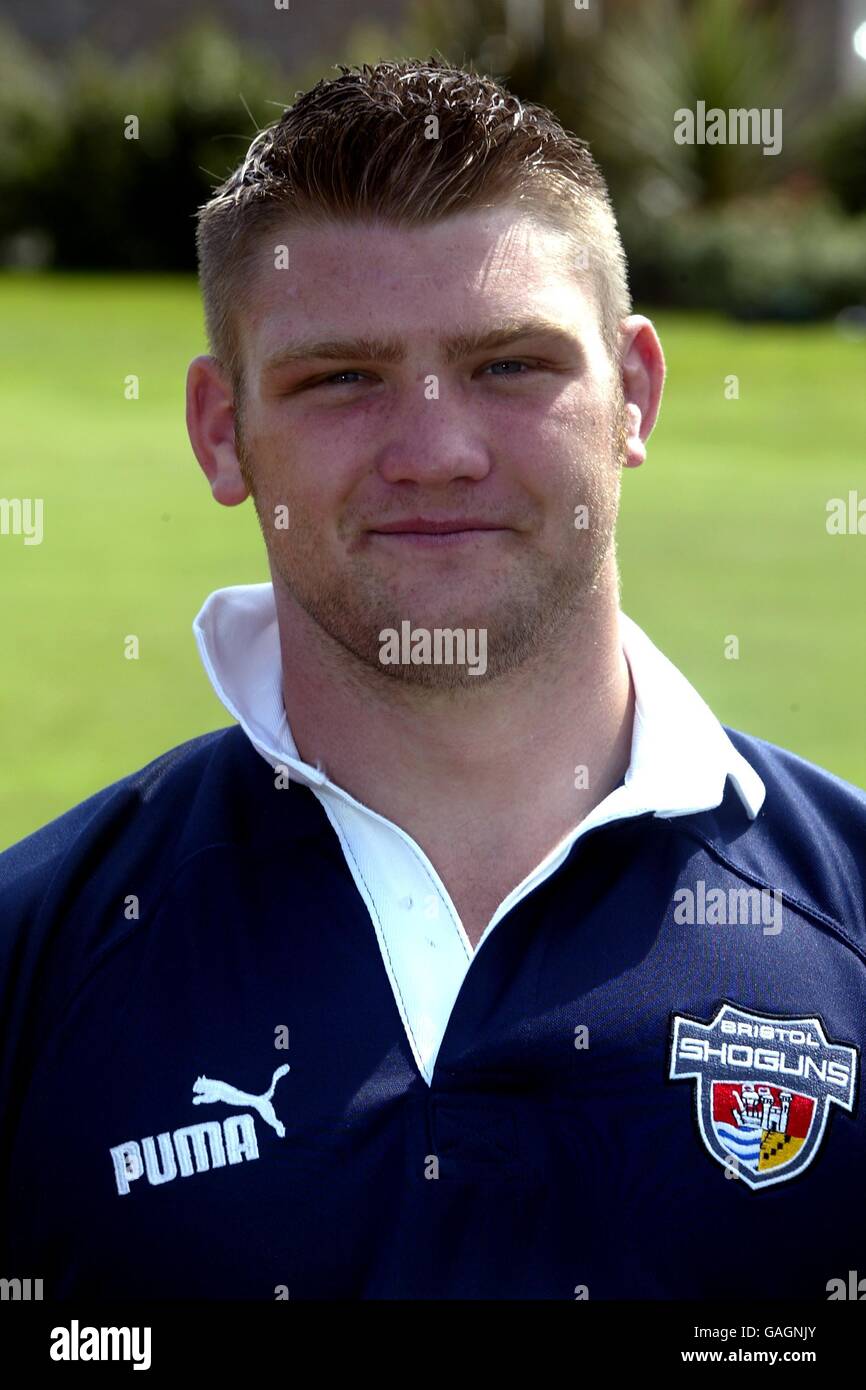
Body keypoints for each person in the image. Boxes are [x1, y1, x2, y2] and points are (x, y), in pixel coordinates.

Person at [1, 58, 864, 1302]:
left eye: (510, 365)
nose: (435, 452)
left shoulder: (844, 926)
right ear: (219, 428)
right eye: (339, 378)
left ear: (634, 391)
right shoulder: (37, 959)